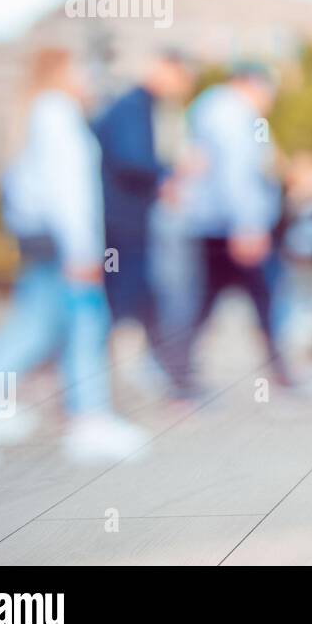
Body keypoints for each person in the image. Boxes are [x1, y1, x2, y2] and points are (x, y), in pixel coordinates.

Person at [0, 48, 150, 464]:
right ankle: (86, 421)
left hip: (48, 241)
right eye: (83, 69)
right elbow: (67, 192)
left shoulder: (42, 111)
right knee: (80, 325)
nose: (90, 78)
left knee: (43, 328)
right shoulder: (56, 113)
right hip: (65, 245)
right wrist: (83, 251)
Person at [172, 63, 287, 390]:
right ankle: (179, 375)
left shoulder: (212, 109)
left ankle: (180, 374)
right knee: (258, 298)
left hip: (217, 225)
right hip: (230, 229)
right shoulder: (232, 113)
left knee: (210, 302)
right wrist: (248, 225)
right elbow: (237, 174)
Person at [92, 51, 195, 392]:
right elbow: (130, 159)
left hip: (129, 221)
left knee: (139, 295)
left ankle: (140, 365)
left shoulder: (144, 106)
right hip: (122, 223)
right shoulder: (132, 107)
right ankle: (113, 370)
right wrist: (171, 173)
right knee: (124, 297)